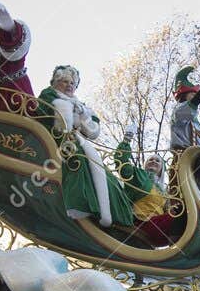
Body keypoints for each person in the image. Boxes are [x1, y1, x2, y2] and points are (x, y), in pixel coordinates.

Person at [38, 64, 132, 229]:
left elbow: (93, 131)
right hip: (56, 140)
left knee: (109, 178)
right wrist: (67, 109)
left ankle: (117, 218)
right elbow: (51, 117)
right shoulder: (48, 95)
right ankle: (80, 206)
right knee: (77, 160)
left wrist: (83, 115)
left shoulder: (81, 105)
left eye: (72, 83)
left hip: (78, 143)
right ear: (55, 82)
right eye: (65, 81)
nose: (69, 86)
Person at [167, 64, 200, 161]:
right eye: (193, 94)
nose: (195, 96)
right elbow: (193, 103)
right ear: (184, 95)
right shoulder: (179, 112)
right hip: (185, 159)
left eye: (196, 94)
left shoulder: (196, 123)